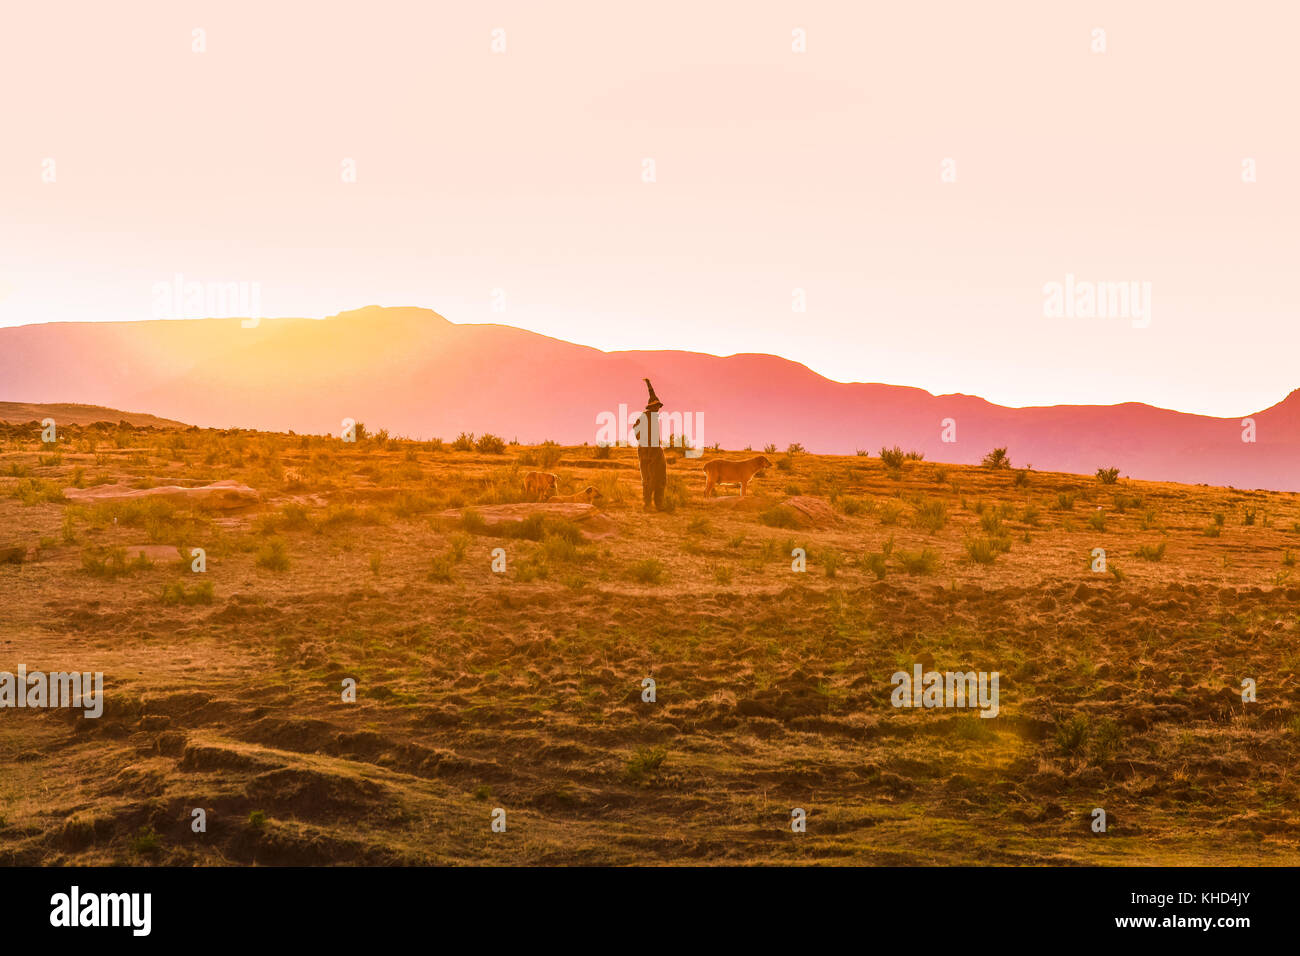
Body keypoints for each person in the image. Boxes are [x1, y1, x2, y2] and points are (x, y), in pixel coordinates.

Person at [636, 378, 668, 511]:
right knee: (650, 478)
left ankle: (658, 504)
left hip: (655, 453)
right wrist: (645, 444)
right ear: (651, 407)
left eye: (658, 406)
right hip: (648, 454)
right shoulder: (645, 417)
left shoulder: (652, 417)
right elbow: (636, 430)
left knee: (660, 478)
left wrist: (649, 384)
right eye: (656, 406)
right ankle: (648, 504)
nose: (658, 408)